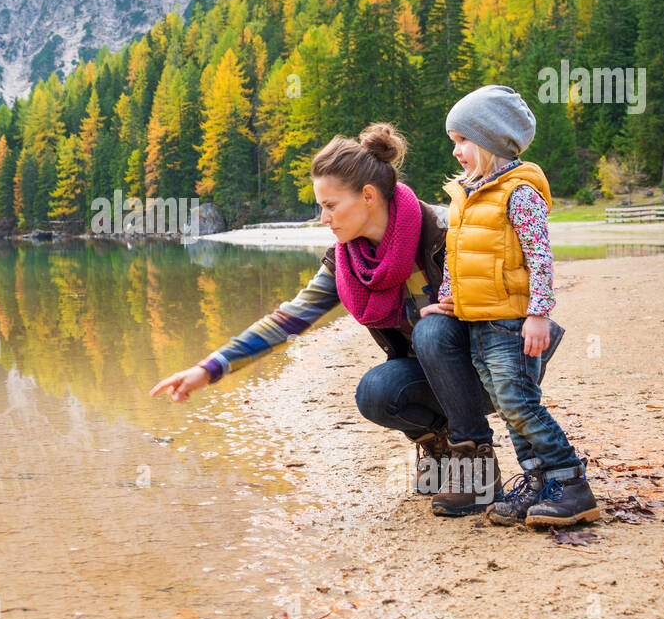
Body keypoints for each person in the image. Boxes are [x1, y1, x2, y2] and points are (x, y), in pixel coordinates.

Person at [149, 122, 563, 500]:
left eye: (330, 205)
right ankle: (439, 447)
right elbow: (288, 320)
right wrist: (209, 369)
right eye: (320, 208)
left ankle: (475, 464)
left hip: (499, 365)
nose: (323, 218)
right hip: (436, 374)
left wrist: (469, 305)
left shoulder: (445, 229)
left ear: (368, 196)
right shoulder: (346, 264)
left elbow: (525, 263)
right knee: (377, 391)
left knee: (432, 330)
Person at [425, 85, 599, 527]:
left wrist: (538, 313)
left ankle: (571, 483)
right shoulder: (467, 195)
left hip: (512, 323)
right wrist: (447, 299)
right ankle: (541, 483)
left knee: (520, 403)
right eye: (453, 142)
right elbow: (458, 255)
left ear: (491, 140)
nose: (457, 152)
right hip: (479, 323)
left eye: (463, 141)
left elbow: (540, 257)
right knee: (506, 406)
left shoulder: (518, 193)